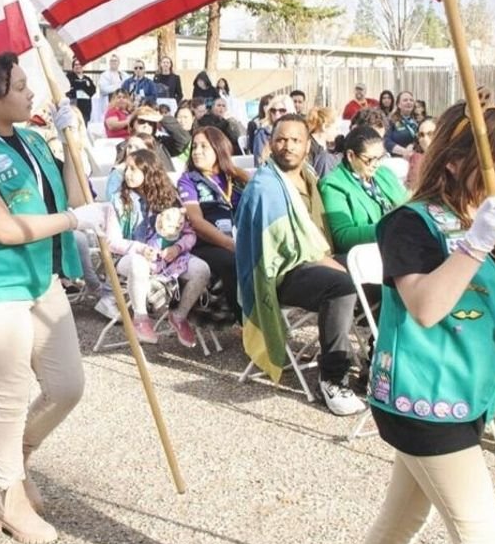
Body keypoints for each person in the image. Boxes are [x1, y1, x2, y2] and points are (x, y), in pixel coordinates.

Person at [0, 53, 108, 543]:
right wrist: (77, 223)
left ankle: (18, 460)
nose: (30, 92)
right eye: (19, 86)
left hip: (39, 279)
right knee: (10, 393)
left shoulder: (33, 140)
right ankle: (8, 499)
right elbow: (5, 228)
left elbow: (73, 196)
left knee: (67, 386)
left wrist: (71, 140)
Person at [363, 102, 495, 544]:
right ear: (456, 162)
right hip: (424, 394)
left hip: (470, 388)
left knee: (401, 520)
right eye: (493, 160)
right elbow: (424, 307)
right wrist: (475, 245)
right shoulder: (409, 223)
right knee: (483, 536)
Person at [236, 113, 365, 415]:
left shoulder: (311, 177)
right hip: (280, 273)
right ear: (271, 143)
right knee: (343, 285)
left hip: (319, 259)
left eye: (296, 140)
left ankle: (377, 365)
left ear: (308, 145)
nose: (288, 146)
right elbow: (278, 250)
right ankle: (333, 378)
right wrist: (329, 262)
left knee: (385, 272)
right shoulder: (264, 187)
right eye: (281, 139)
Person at [104, 149, 210, 346]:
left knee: (201, 269)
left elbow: (189, 234)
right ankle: (141, 318)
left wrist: (177, 248)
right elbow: (112, 242)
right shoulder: (118, 201)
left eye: (134, 169)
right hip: (129, 256)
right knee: (139, 263)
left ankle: (179, 316)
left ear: (149, 172)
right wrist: (141, 248)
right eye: (127, 168)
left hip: (169, 256)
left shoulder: (170, 198)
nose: (128, 173)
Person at [178, 127, 249, 324]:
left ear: (219, 149)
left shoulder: (236, 178)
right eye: (194, 147)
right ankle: (247, 325)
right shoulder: (188, 180)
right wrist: (230, 245)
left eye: (204, 146)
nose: (197, 151)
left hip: (241, 236)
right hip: (207, 244)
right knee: (232, 262)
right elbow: (197, 222)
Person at [319, 126, 409, 255]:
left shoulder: (384, 174)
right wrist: (388, 228)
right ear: (351, 156)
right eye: (370, 159)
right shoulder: (333, 184)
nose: (377, 164)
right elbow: (342, 236)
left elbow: (407, 204)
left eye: (380, 157)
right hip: (369, 257)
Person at [252, 94, 289, 166]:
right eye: (273, 110)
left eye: (282, 110)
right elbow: (260, 163)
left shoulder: (296, 133)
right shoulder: (262, 134)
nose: (277, 114)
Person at [305, 106, 340, 177]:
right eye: (336, 128)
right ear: (325, 127)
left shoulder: (327, 146)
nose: (338, 132)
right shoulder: (309, 146)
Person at [383, 91, 419, 157]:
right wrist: (404, 152)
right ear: (399, 105)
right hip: (397, 159)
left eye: (411, 100)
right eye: (405, 100)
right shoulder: (391, 121)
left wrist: (412, 145)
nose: (409, 102)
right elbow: (386, 141)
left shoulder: (418, 121)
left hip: (416, 158)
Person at [405, 117, 436, 190]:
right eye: (421, 135)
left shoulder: (450, 157)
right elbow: (412, 188)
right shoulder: (417, 160)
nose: (425, 139)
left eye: (430, 134)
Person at [65, 57, 97, 124]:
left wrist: (80, 87)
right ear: (73, 67)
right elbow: (70, 90)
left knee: (84, 125)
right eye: (76, 65)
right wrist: (84, 86)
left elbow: (93, 90)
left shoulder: (87, 78)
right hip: (74, 105)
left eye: (80, 64)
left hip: (86, 107)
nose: (78, 66)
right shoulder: (69, 77)